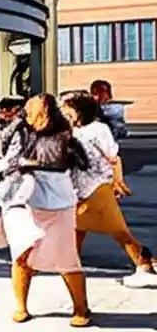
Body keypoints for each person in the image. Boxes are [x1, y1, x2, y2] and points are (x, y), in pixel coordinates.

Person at [0, 93, 90, 327]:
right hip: (20, 200)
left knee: (67, 258)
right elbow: (1, 156)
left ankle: (81, 308)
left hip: (58, 200)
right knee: (21, 254)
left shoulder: (65, 134)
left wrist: (84, 195)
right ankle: (21, 306)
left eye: (31, 110)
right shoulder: (19, 129)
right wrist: (13, 134)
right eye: (25, 111)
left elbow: (83, 166)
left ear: (46, 112)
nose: (26, 114)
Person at [61, 91, 155, 286]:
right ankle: (70, 264)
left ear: (79, 110)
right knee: (77, 226)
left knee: (116, 230)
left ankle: (143, 262)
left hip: (98, 187)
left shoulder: (98, 129)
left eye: (66, 107)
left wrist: (117, 182)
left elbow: (113, 157)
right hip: (78, 189)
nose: (63, 111)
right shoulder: (70, 131)